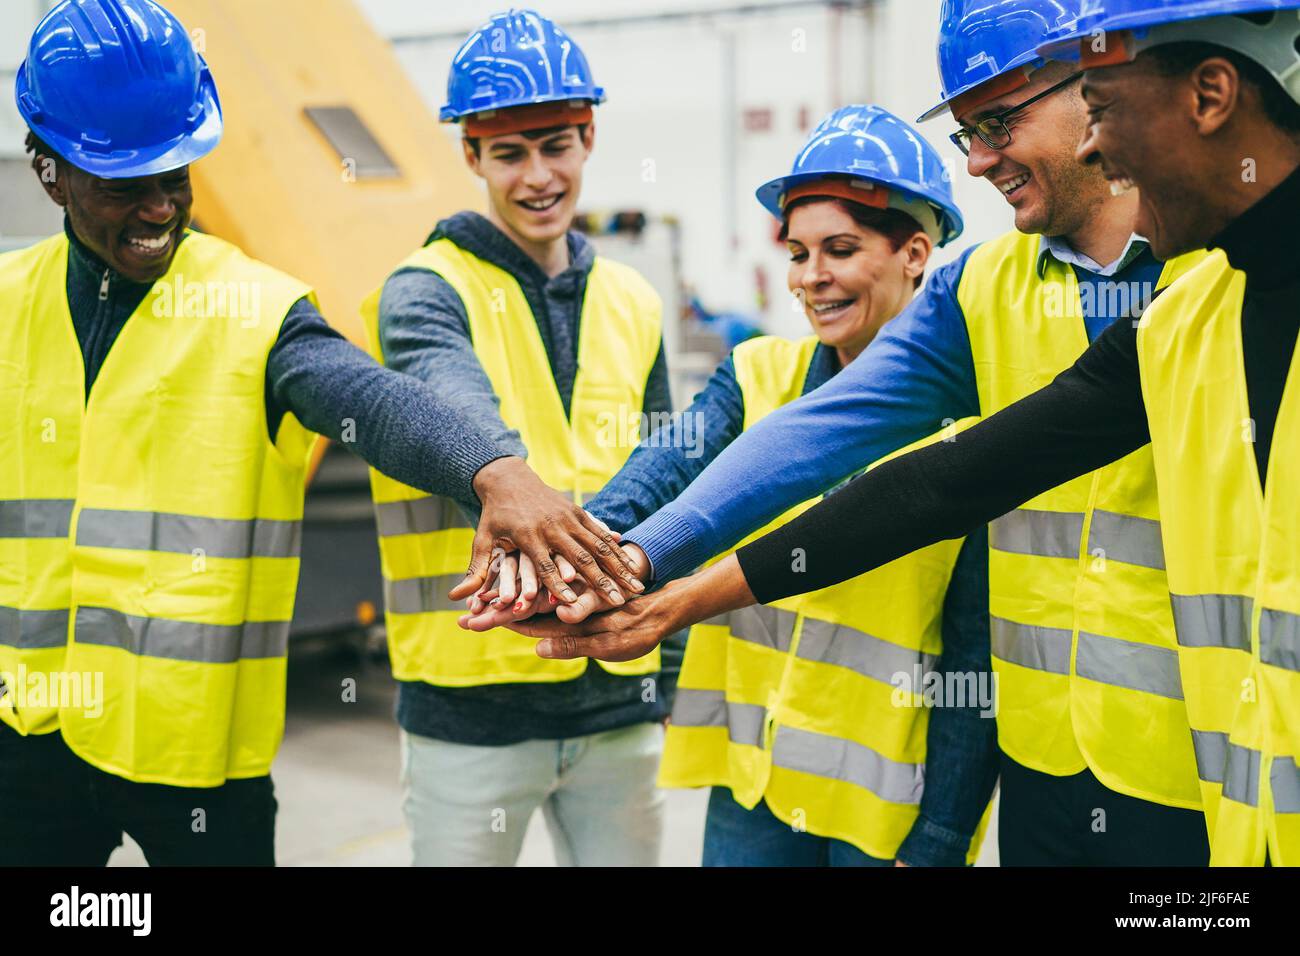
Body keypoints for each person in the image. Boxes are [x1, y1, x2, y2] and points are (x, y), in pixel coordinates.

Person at [514, 0, 1300, 868]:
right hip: (1045, 754)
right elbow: (859, 449)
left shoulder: (1215, 283)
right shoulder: (1004, 294)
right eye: (965, 132)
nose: (977, 160)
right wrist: (644, 560)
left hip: (1207, 760)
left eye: (1001, 120)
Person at [0, 0, 634, 867]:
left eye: (177, 176)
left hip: (195, 756)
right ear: (50, 172)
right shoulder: (7, 303)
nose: (159, 209)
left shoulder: (256, 309)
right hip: (29, 733)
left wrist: (492, 468)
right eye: (125, 185)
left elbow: (369, 399)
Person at [472, 105, 995, 866]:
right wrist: (561, 555)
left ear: (915, 252)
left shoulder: (973, 420)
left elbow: (974, 649)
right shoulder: (759, 375)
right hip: (752, 786)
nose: (811, 278)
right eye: (798, 252)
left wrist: (945, 832)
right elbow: (660, 476)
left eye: (840, 250)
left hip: (885, 805)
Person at [363, 9, 676, 867]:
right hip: (472, 711)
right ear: (471, 156)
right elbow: (455, 405)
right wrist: (504, 474)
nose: (538, 176)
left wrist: (665, 656)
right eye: (509, 153)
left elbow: (667, 471)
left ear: (589, 136)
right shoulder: (422, 291)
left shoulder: (635, 301)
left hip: (618, 699)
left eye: (556, 145)